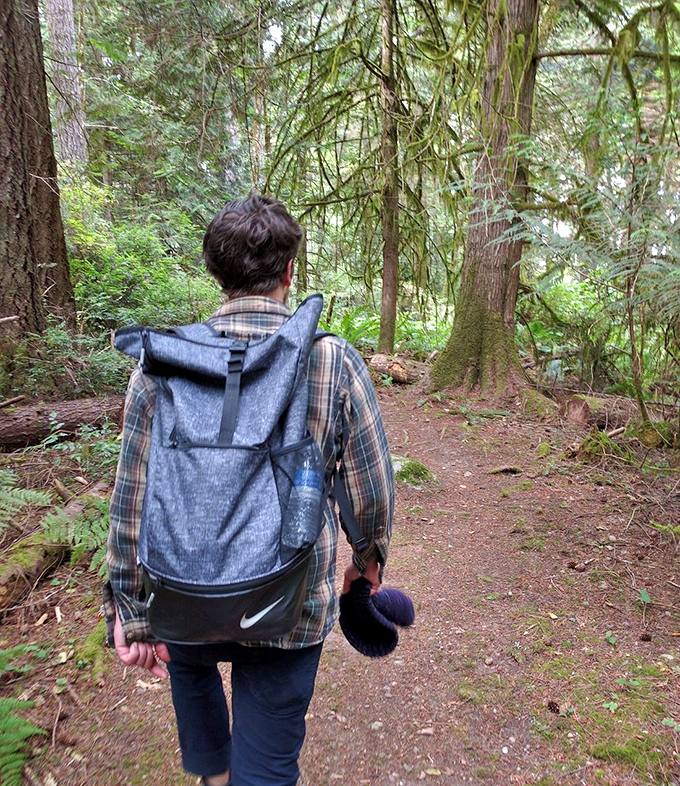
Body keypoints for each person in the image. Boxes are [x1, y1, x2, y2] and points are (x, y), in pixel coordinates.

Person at [103, 194, 395, 786]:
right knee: (270, 759)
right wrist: (367, 565)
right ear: (291, 273)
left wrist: (131, 610)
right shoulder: (331, 360)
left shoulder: (163, 363)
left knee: (192, 671)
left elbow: (132, 494)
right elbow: (369, 487)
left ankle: (213, 776)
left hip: (183, 591)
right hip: (290, 606)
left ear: (217, 275)